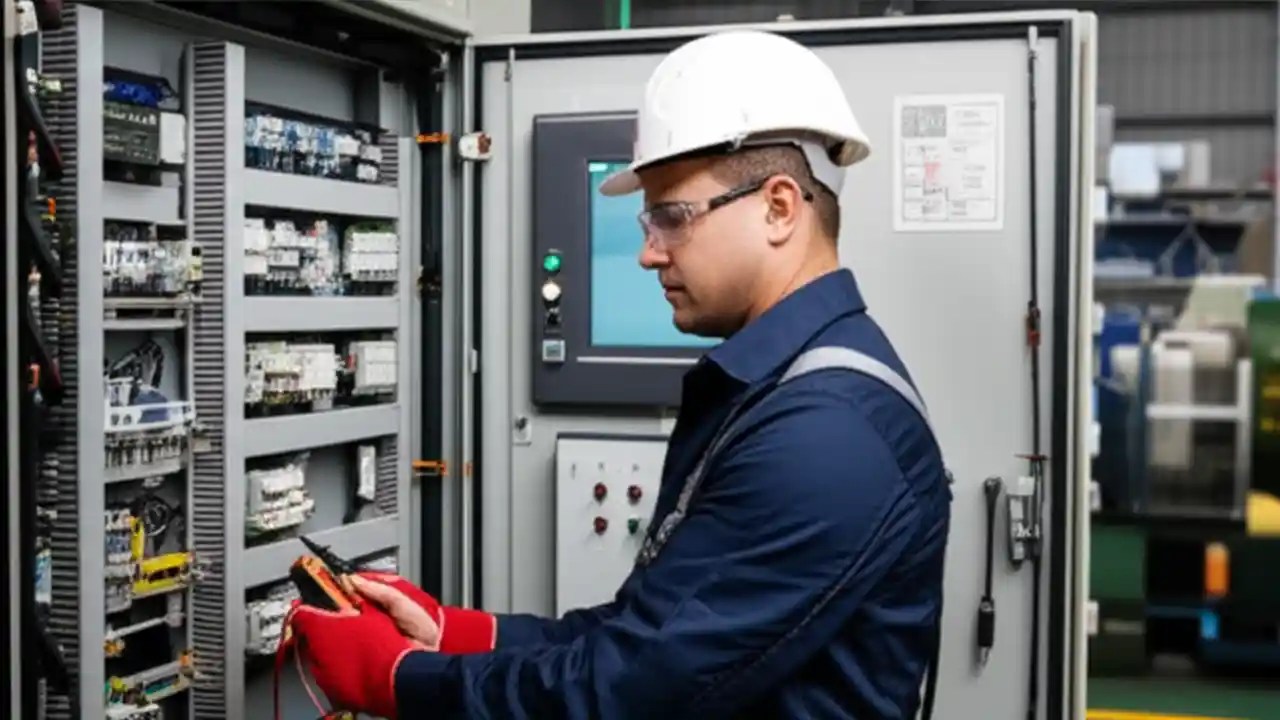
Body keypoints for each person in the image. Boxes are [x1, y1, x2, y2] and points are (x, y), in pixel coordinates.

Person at [286, 28, 952, 719]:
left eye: (672, 217)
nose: (647, 253)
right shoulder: (779, 391)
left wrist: (400, 682)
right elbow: (644, 633)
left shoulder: (826, 432)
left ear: (779, 208)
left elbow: (628, 692)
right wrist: (458, 636)